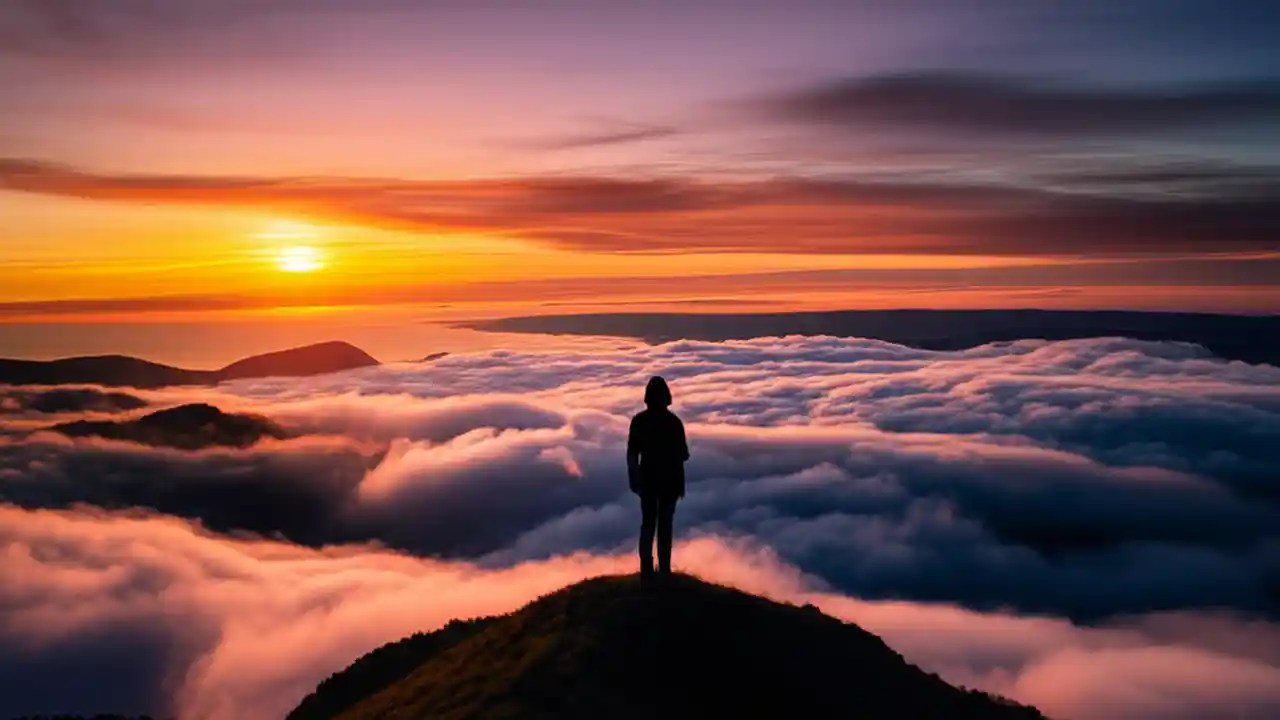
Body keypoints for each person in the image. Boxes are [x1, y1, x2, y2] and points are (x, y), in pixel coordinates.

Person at [627, 376, 690, 578]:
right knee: (665, 526)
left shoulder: (639, 421)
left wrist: (634, 478)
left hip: (647, 481)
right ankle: (664, 570)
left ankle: (646, 569)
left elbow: (632, 454)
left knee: (648, 523)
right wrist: (681, 484)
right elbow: (683, 456)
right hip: (670, 482)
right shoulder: (674, 423)